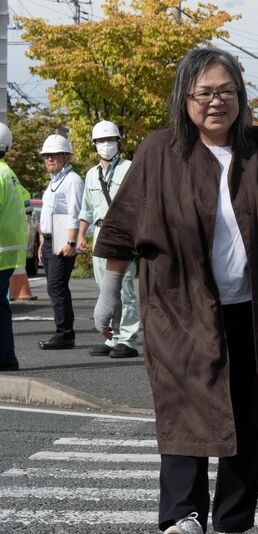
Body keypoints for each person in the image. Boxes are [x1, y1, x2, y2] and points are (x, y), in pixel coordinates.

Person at [92, 45, 258, 534]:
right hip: (178, 309)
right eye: (204, 93)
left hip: (252, 309)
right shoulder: (158, 151)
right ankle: (183, 521)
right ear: (185, 98)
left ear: (240, 96)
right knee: (184, 408)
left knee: (250, 411)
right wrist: (108, 291)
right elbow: (123, 227)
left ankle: (234, 523)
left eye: (226, 91)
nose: (216, 102)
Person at [77, 120, 141, 359]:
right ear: (94, 144)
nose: (106, 144)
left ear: (119, 143)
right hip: (99, 235)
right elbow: (86, 209)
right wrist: (81, 236)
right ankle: (112, 337)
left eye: (111, 140)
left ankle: (128, 340)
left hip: (122, 236)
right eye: (101, 141)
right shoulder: (91, 174)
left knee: (123, 290)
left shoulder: (130, 168)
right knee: (104, 291)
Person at [37, 133, 83, 350]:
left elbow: (75, 213)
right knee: (54, 287)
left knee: (57, 287)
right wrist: (41, 242)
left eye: (54, 155)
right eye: (46, 156)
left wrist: (71, 243)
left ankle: (65, 334)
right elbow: (46, 214)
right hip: (49, 237)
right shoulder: (53, 182)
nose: (49, 159)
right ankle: (63, 332)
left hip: (62, 236)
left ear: (66, 157)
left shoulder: (72, 181)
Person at [0, 124, 27, 370]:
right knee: (2, 307)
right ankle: (7, 356)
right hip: (9, 254)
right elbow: (27, 200)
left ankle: (6, 357)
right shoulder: (9, 173)